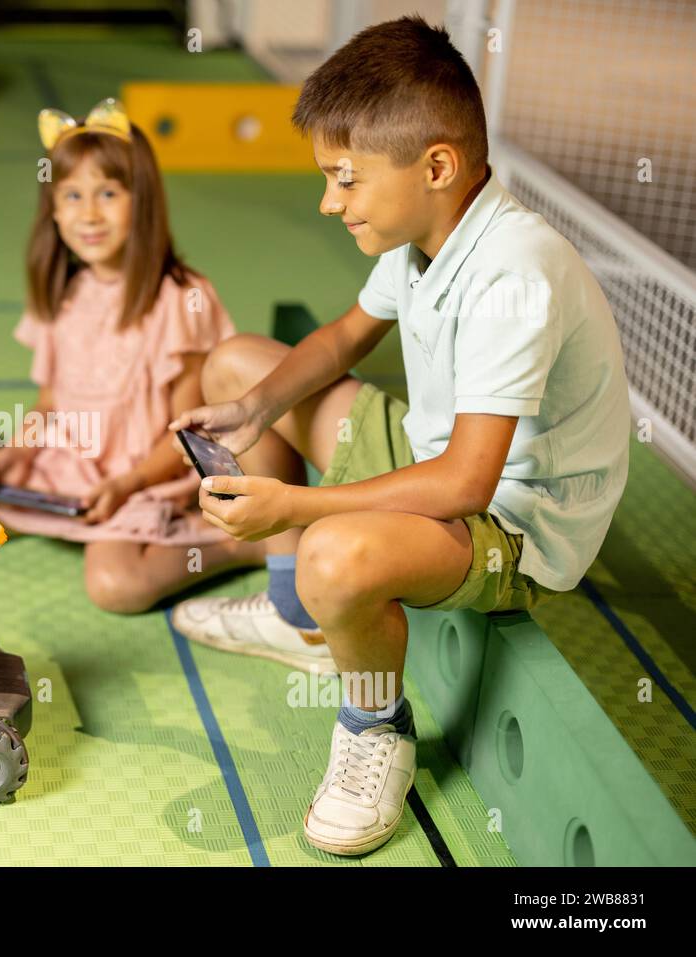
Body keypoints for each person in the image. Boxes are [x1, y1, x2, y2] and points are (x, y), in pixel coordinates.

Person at [168, 16, 630, 856]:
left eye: (345, 180)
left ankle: (375, 724)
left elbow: (464, 488)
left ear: (437, 165)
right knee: (236, 365)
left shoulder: (513, 273)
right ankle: (297, 621)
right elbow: (345, 337)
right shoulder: (429, 231)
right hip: (436, 455)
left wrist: (292, 505)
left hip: (513, 525)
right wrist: (254, 412)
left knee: (332, 555)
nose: (328, 201)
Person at [0, 98, 286, 617]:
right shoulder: (64, 292)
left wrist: (126, 483)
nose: (89, 213)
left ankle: (251, 545)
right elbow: (48, 404)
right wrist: (16, 453)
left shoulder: (181, 297)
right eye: (73, 196)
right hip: (63, 467)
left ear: (143, 200)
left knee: (115, 585)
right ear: (54, 210)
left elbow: (189, 434)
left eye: (108, 193)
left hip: (144, 478)